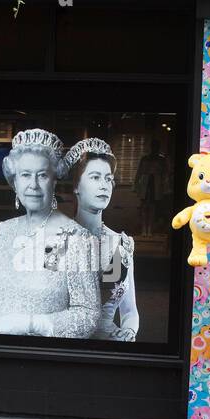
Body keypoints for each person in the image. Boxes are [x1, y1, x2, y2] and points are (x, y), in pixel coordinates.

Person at [0, 128, 100, 338]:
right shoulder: (4, 230)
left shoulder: (75, 238)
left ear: (53, 182)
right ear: (14, 182)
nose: (32, 185)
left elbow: (88, 315)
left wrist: (32, 324)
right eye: (25, 175)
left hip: (43, 357)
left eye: (42, 175)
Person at [64, 138, 139, 342]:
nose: (104, 186)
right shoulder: (57, 242)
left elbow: (130, 312)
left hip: (110, 347)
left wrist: (128, 332)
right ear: (76, 186)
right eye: (95, 177)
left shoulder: (121, 244)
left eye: (108, 179)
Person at [133, 140, 170, 237]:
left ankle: (149, 229)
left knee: (153, 207)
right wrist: (136, 186)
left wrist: (165, 188)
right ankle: (143, 228)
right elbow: (139, 173)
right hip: (145, 183)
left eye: (156, 147)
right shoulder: (145, 158)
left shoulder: (161, 160)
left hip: (156, 184)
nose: (155, 149)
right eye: (153, 146)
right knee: (144, 206)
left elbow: (166, 175)